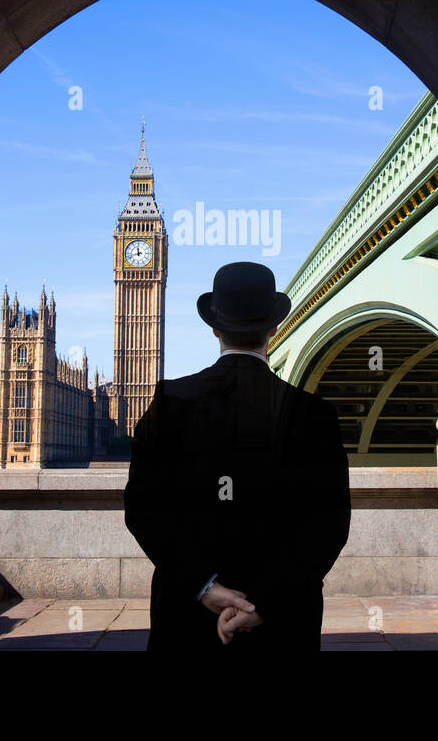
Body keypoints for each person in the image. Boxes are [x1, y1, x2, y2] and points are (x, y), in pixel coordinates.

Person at [124, 261, 351, 649]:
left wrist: (205, 587)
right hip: (282, 625)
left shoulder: (170, 403)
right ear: (275, 328)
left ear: (214, 328)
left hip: (188, 620)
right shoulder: (313, 414)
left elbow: (144, 513)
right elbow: (328, 527)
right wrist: (263, 602)